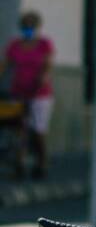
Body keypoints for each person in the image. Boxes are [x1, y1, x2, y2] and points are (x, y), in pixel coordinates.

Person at [0, 12, 54, 178]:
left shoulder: (44, 45)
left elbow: (47, 65)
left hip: (39, 94)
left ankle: (42, 161)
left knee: (38, 130)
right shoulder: (15, 45)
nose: (28, 30)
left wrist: (42, 78)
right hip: (19, 92)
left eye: (31, 27)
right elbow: (5, 65)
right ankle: (19, 163)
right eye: (25, 27)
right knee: (20, 129)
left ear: (37, 28)